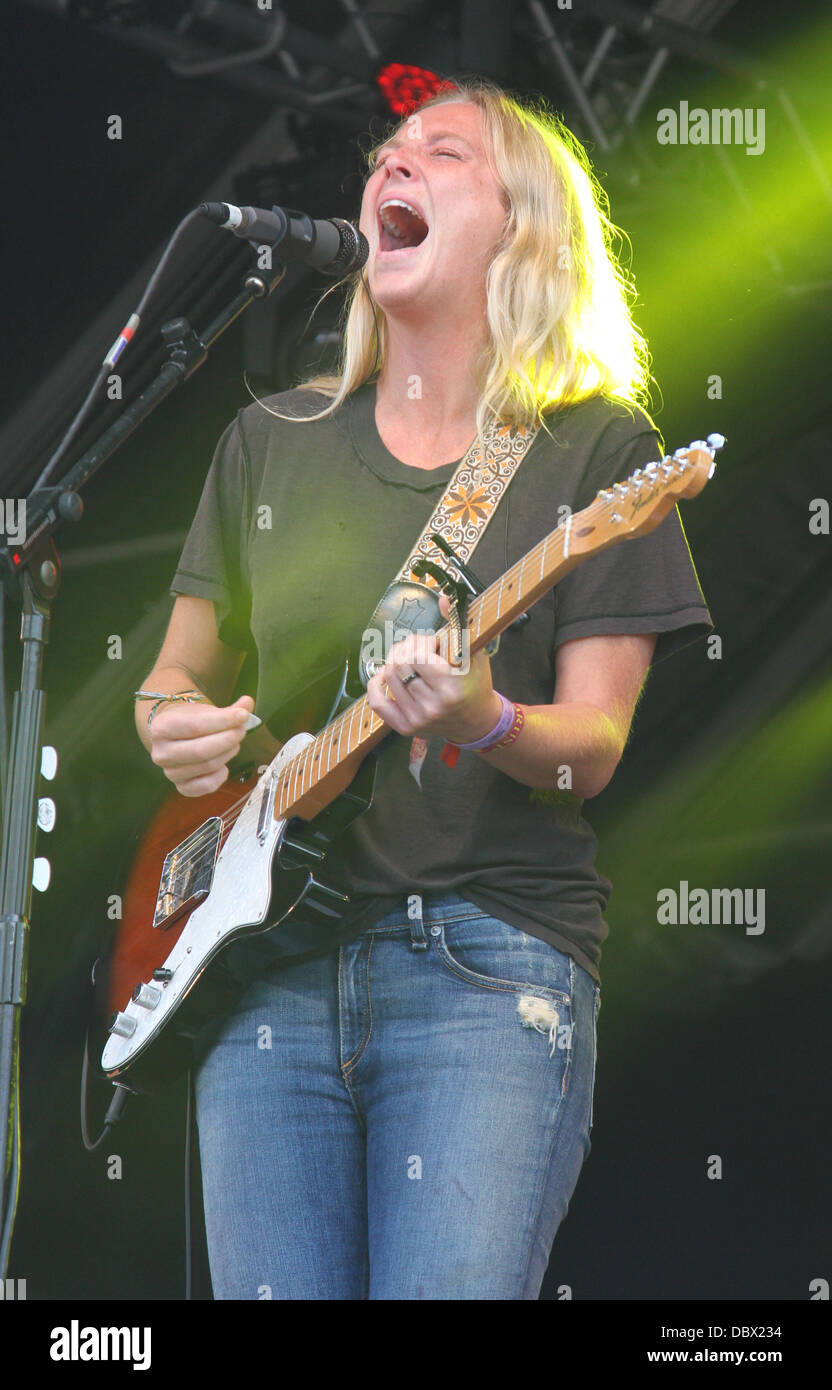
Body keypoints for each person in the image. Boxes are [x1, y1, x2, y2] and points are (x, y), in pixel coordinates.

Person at [134, 79, 711, 1300]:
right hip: (263, 964)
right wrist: (173, 727)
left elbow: (588, 751)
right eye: (385, 154)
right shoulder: (269, 440)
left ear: (521, 227)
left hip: (482, 967)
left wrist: (479, 716)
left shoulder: (594, 455)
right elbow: (174, 678)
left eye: (438, 154)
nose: (390, 168)